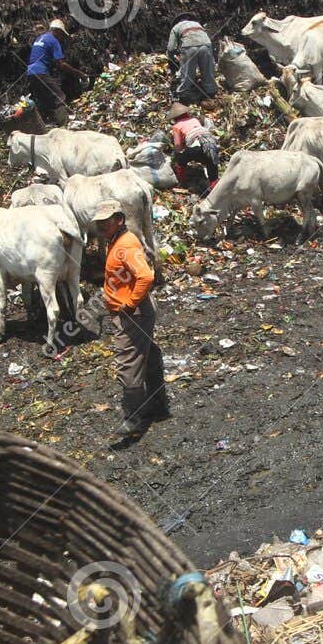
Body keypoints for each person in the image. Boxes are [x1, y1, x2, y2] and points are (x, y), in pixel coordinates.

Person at [96, 199, 167, 441]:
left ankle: (133, 416)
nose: (102, 225)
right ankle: (158, 405)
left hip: (132, 313)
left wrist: (129, 303)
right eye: (99, 222)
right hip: (136, 310)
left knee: (128, 361)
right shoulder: (116, 242)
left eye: (107, 221)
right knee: (147, 354)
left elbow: (146, 277)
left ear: (120, 220)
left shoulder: (125, 245)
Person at [25, 19, 85, 126]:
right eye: (62, 34)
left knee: (43, 100)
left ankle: (45, 126)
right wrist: (79, 74)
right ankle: (65, 125)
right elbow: (61, 64)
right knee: (59, 96)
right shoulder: (53, 40)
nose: (61, 37)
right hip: (40, 72)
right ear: (57, 31)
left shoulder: (40, 38)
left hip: (30, 73)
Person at [167, 102, 219, 192]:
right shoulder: (194, 120)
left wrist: (178, 153)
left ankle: (181, 183)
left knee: (180, 162)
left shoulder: (176, 126)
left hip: (197, 146)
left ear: (175, 117)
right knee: (211, 164)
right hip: (211, 143)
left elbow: (178, 146)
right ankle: (215, 189)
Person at [166, 16, 218, 102]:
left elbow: (171, 48)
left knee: (188, 73)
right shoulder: (197, 24)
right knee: (208, 70)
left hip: (189, 46)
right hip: (207, 45)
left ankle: (185, 94)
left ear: (177, 21)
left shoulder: (176, 27)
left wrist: (171, 59)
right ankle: (210, 91)